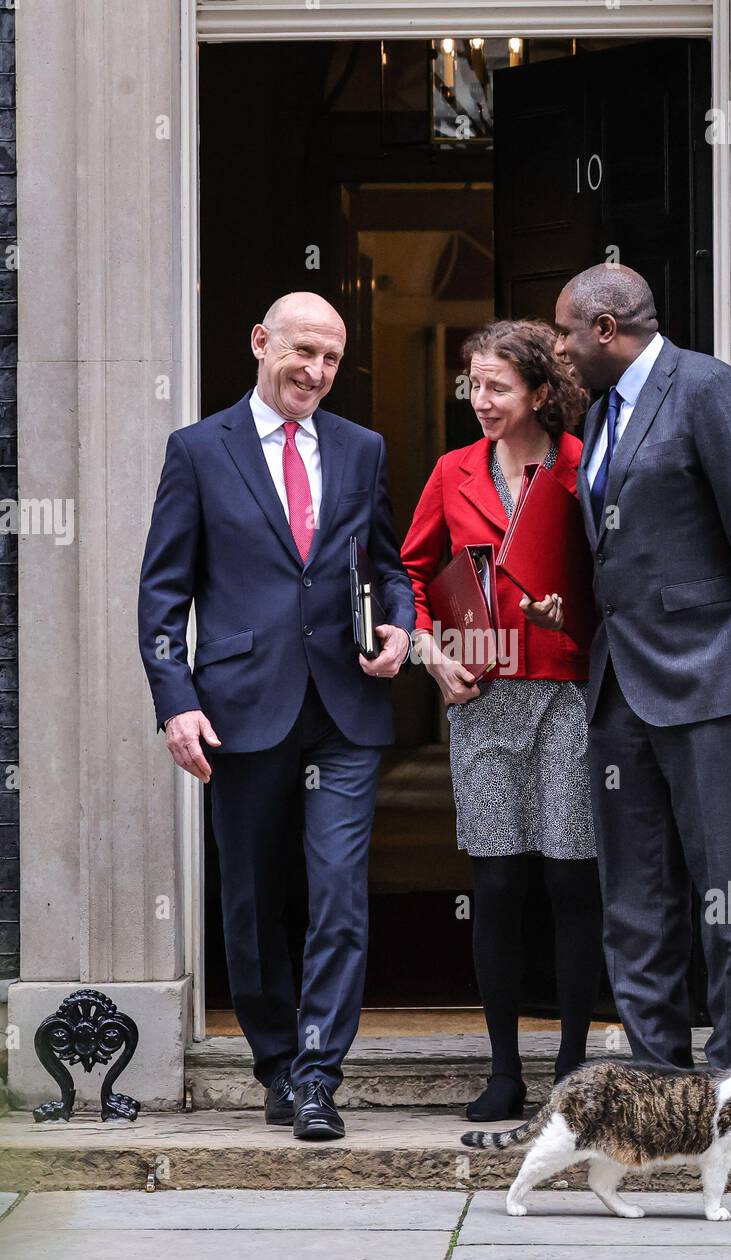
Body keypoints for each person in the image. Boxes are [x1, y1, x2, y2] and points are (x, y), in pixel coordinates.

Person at [137, 291, 414, 1141]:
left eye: (331, 359)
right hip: (240, 710)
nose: (316, 372)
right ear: (260, 342)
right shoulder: (197, 451)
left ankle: (320, 1074)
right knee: (252, 900)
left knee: (338, 895)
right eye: (302, 351)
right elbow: (161, 595)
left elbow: (391, 563)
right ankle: (277, 1067)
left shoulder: (361, 448)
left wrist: (402, 625)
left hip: (343, 707)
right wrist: (175, 705)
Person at [552, 262, 731, 1071]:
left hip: (712, 686)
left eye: (565, 331)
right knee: (634, 897)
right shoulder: (599, 415)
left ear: (605, 329)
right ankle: (657, 1079)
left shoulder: (709, 389)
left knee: (727, 894)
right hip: (620, 689)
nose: (558, 347)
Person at [401, 319, 604, 1121]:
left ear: (541, 394)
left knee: (569, 876)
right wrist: (427, 649)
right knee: (497, 878)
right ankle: (503, 1070)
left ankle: (574, 1065)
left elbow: (618, 571)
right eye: (473, 386)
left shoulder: (584, 466)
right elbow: (410, 571)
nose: (480, 400)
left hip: (566, 690)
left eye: (498, 387)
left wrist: (576, 614)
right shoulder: (452, 471)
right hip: (480, 699)